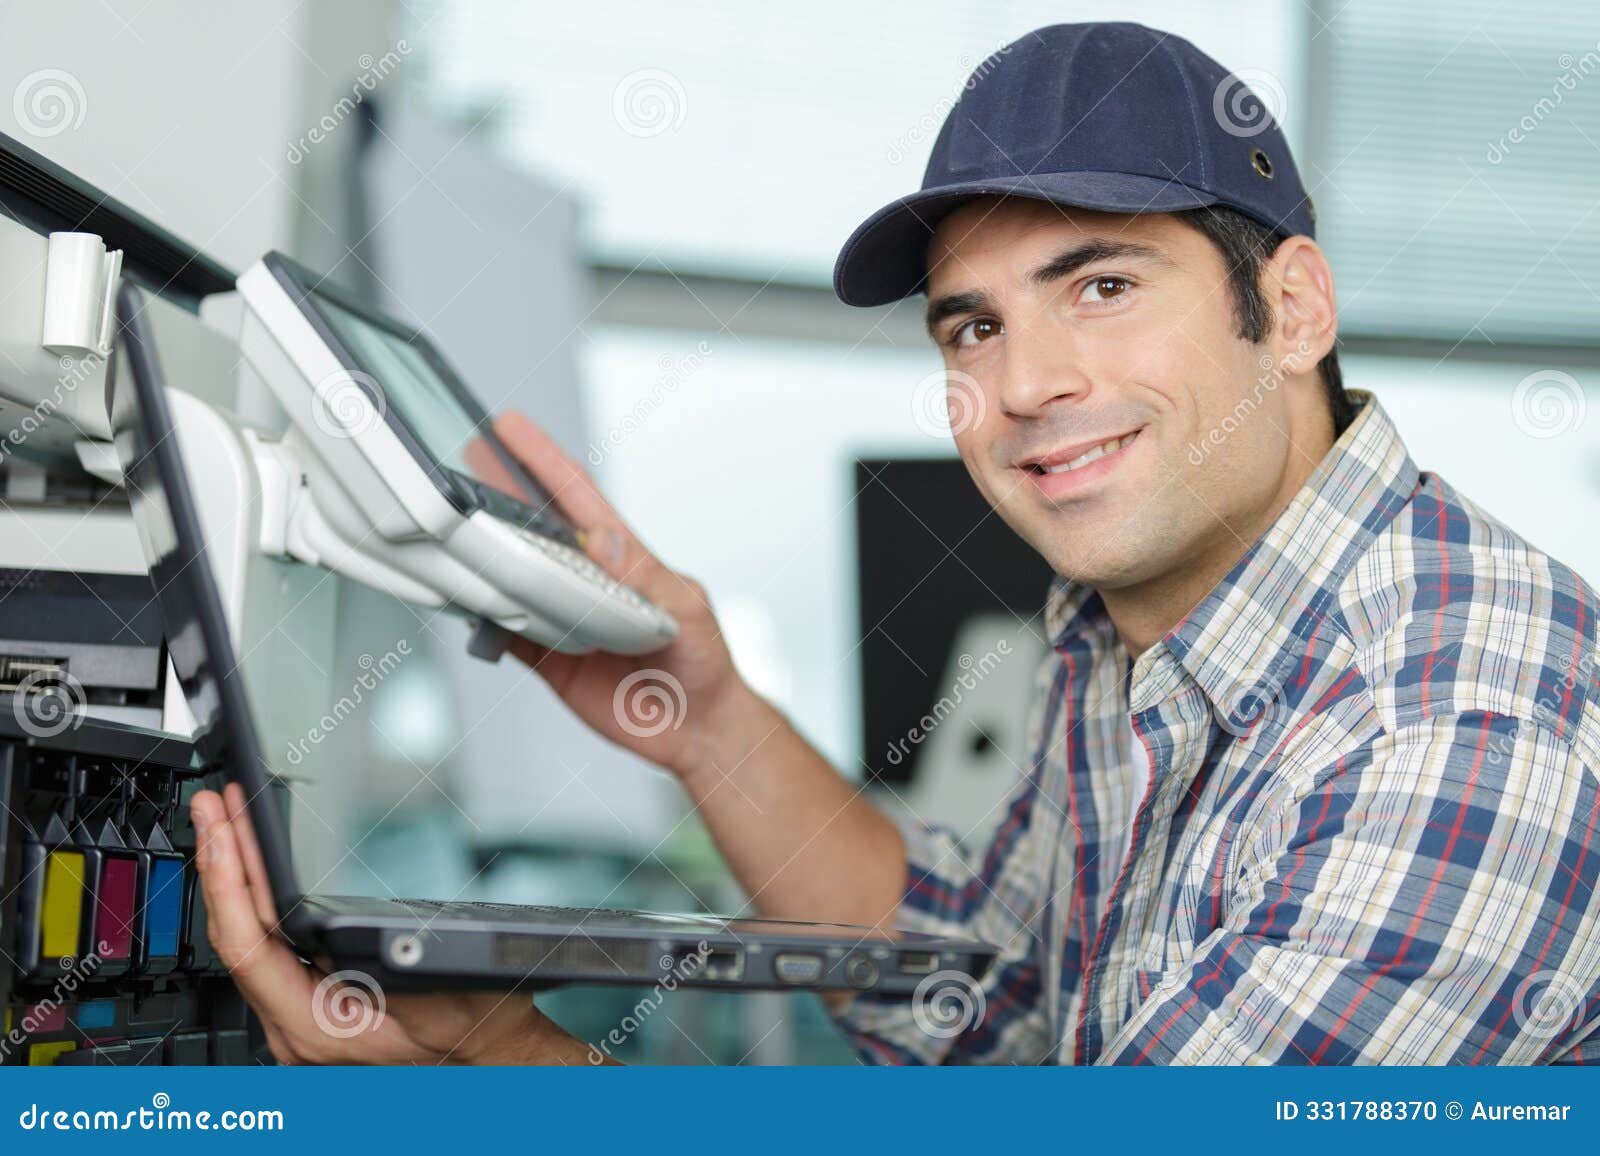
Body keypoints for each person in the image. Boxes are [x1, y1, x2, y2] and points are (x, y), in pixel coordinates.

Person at [191, 22, 1600, 1065]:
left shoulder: (1452, 721)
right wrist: (706, 715)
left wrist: (500, 1071)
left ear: (1292, 309)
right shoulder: (1130, 635)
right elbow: (978, 1002)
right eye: (973, 326)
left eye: (1102, 285)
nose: (1028, 385)